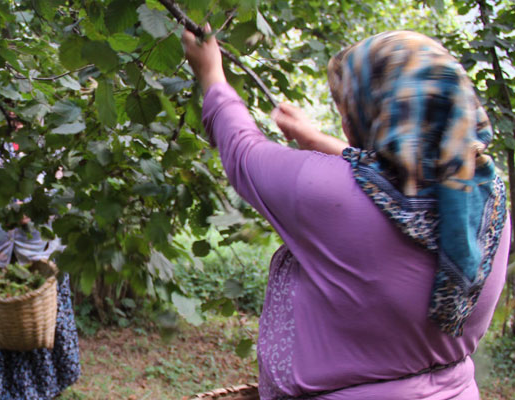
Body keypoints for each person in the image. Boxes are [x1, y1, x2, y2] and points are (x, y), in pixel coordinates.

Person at [182, 29, 509, 398]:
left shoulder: (327, 192)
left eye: (347, 110)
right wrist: (316, 140)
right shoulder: (485, 196)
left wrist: (211, 73)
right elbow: (396, 178)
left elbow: (243, 152)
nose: (344, 124)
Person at [0, 145, 81, 400]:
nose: (14, 111)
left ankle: (43, 390)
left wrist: (33, 212)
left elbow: (66, 197)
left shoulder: (50, 145)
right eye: (9, 104)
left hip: (39, 251)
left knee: (40, 324)